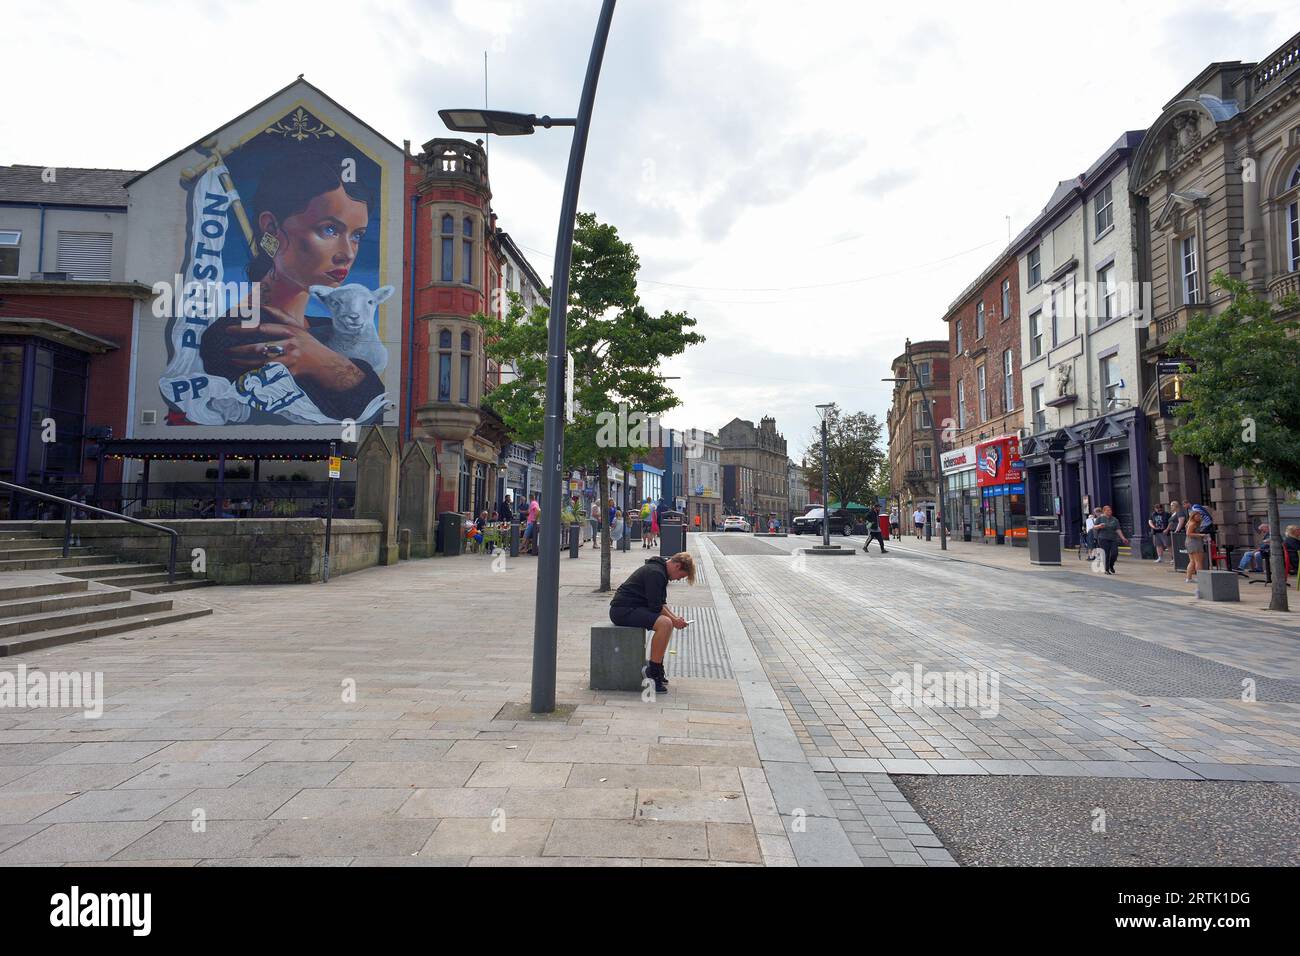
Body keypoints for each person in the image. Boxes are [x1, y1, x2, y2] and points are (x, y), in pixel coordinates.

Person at [197, 154, 386, 422]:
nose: (347, 253)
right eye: (330, 229)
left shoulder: (325, 329)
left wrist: (324, 362)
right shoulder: (237, 336)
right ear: (271, 227)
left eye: (357, 236)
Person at [608, 551, 696, 694]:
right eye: (681, 576)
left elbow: (661, 603)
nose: (678, 579)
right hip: (622, 610)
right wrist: (673, 621)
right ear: (677, 566)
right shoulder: (656, 573)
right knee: (665, 623)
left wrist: (675, 619)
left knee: (667, 623)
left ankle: (657, 667)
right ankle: (653, 671)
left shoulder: (660, 571)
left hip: (632, 607)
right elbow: (656, 607)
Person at [1093, 505, 1128, 574]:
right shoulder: (1100, 518)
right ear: (1104, 511)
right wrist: (1099, 526)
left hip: (1113, 538)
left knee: (1115, 553)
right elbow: (1094, 527)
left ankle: (1111, 565)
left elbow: (1118, 529)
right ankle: (1106, 569)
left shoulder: (1115, 520)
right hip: (1103, 538)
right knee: (1106, 554)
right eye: (1107, 510)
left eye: (1110, 510)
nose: (1109, 511)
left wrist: (1123, 538)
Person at [1184, 511, 1206, 584]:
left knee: (1192, 561)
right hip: (1194, 542)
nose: (1199, 518)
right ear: (1193, 516)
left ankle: (1188, 578)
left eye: (1200, 516)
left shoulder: (1189, 522)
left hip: (1189, 542)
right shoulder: (1193, 523)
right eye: (1197, 516)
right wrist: (1201, 535)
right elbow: (1188, 533)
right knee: (1198, 561)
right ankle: (1200, 578)